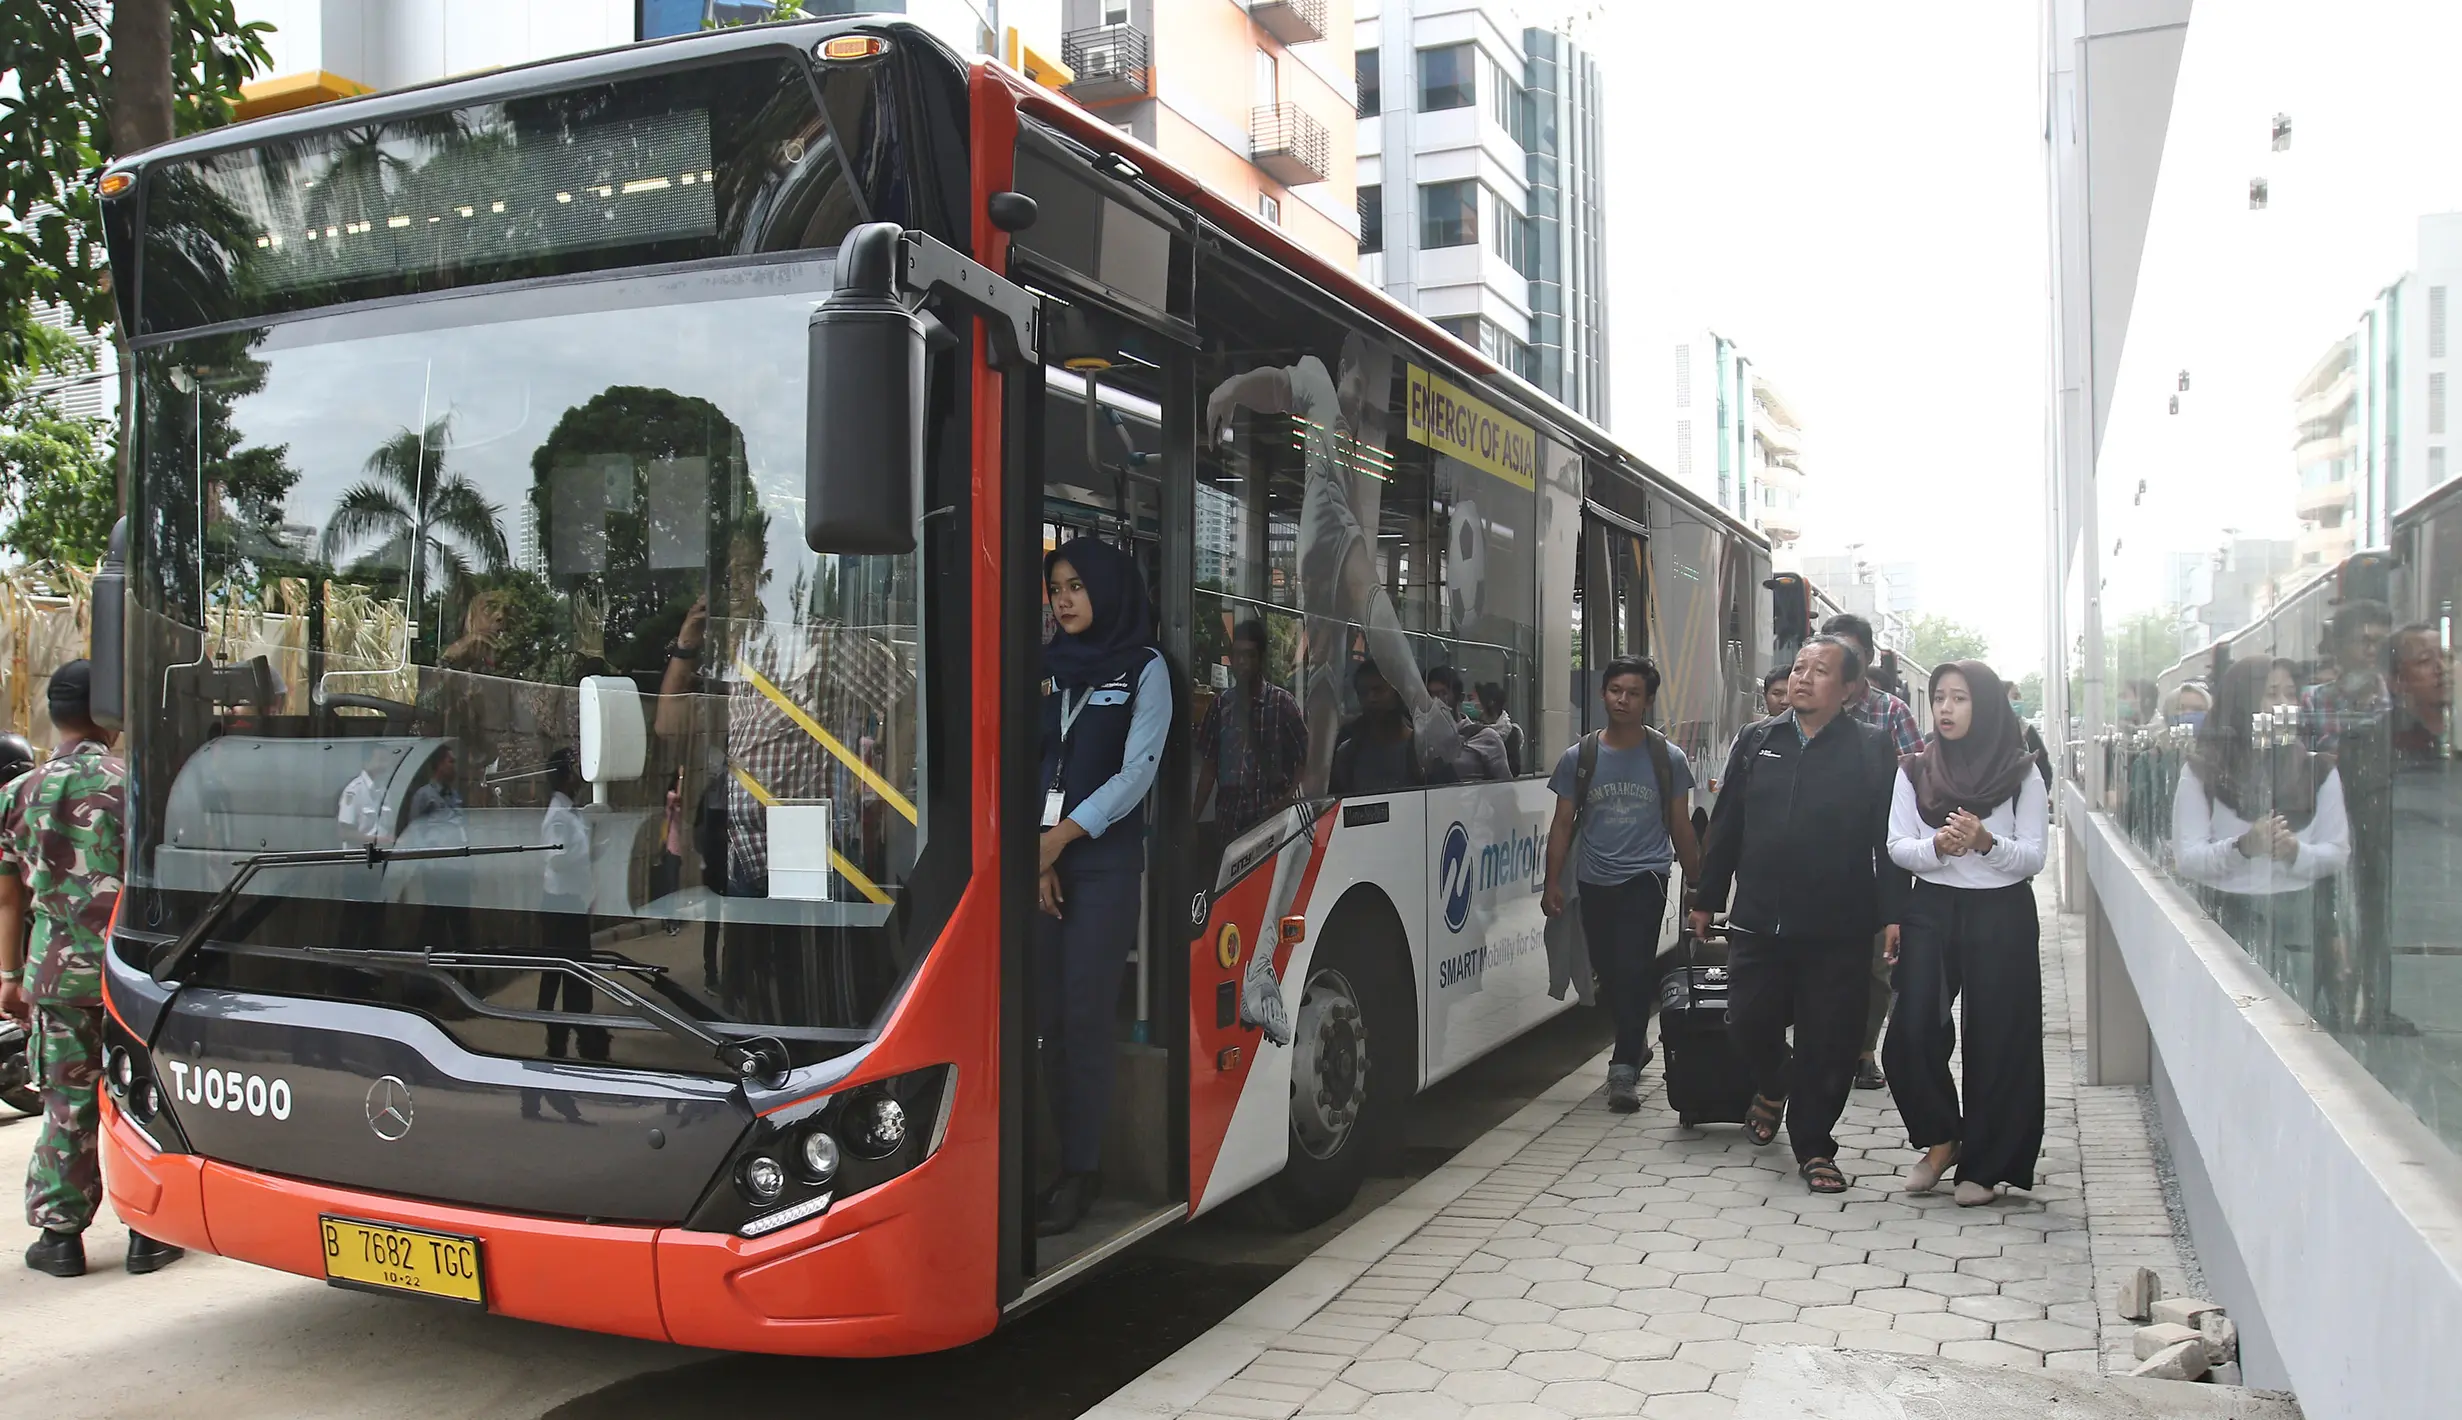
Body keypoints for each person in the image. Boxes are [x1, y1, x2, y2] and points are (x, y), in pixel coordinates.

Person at [1690, 636, 1906, 1194]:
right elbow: (1727, 821)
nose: (1802, 679)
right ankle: (1775, 1081)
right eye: (1799, 668)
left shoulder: (1870, 746)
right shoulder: (1758, 739)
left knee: (1830, 1040)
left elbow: (1887, 837)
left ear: (1850, 689)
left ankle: (1814, 1146)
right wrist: (1705, 895)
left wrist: (1892, 913)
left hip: (1838, 923)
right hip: (1758, 918)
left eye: (1820, 671)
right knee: (1747, 1020)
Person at [1207, 334, 1459, 794]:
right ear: (1343, 370)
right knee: (1369, 593)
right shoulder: (1318, 383)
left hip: (1317, 542)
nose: (1362, 398)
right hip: (1327, 518)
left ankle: (1315, 787)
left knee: (1325, 670)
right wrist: (1234, 387)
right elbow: (1278, 386)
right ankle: (1423, 708)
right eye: (1359, 380)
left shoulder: (1345, 427)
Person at [0, 662, 183, 1278]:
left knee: (65, 1101)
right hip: (129, 973)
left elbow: (7, 899)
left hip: (52, 974)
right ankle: (147, 1233)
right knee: (138, 1100)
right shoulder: (136, 783)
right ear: (109, 712)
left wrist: (8, 977)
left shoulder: (16, 794)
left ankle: (59, 1238)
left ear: (55, 714)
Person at [1033, 538, 1169, 1237]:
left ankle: (1084, 1170)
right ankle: (1058, 1163)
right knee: (1048, 1019)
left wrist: (1063, 837)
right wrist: (1041, 855)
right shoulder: (1051, 670)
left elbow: (1137, 772)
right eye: (1056, 588)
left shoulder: (1145, 669)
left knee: (1087, 1016)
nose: (1063, 599)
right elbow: (1037, 761)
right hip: (1048, 869)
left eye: (1077, 586)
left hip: (1105, 868)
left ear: (1109, 590)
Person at [1884, 661, 2050, 1207]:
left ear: (1985, 706)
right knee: (1911, 1030)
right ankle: (1942, 1138)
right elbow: (1897, 845)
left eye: (1960, 698)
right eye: (1939, 698)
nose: (1946, 709)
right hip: (1932, 908)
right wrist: (1937, 848)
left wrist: (1984, 843)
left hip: (2001, 913)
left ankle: (1986, 1163)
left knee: (1999, 1037)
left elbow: (2033, 857)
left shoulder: (2022, 773)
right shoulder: (1914, 770)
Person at [1541, 656, 1702, 1112]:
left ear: (1648, 701)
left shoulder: (1667, 758)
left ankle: (1622, 1068)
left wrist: (1697, 885)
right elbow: (1562, 823)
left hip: (1646, 877)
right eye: (1615, 690)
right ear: (1603, 694)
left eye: (1633, 693)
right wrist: (1553, 881)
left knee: (1633, 968)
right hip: (1594, 879)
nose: (1622, 700)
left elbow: (1680, 824)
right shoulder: (1581, 757)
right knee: (1611, 973)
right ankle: (1635, 1044)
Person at [2172, 657, 2348, 992]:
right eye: (2271, 693)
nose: (2284, 704)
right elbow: (2188, 858)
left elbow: (2337, 852)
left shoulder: (2319, 771)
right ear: (2243, 702)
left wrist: (2296, 852)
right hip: (2223, 916)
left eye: (2290, 693)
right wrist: (2242, 848)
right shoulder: (2202, 772)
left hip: (2300, 924)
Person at [1819, 612, 1919, 1092]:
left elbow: (1919, 781)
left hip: (1877, 860)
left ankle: (1864, 1051)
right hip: (1818, 865)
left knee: (1876, 966)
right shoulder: (1808, 714)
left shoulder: (1892, 713)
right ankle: (1827, 1048)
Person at [1194, 619, 1308, 840]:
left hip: (1269, 820)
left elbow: (1306, 757)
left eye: (1250, 655)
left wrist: (1288, 798)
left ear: (1261, 658)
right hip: (1229, 819)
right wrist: (1194, 818)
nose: (1242, 663)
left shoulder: (1281, 703)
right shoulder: (1220, 706)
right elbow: (1209, 767)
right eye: (1237, 656)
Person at [2303, 600, 2393, 753]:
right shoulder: (2313, 703)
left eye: (2380, 643)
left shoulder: (2399, 701)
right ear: (2338, 647)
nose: (2372, 651)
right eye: (2363, 642)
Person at [1330, 662, 1431, 794]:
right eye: (1364, 692)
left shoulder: (1424, 750)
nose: (1371, 698)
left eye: (1379, 690)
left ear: (1398, 693)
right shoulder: (1348, 754)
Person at [1424, 666, 1509, 781]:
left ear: (1460, 698)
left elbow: (1506, 789)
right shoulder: (1423, 738)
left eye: (1443, 694)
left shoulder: (1486, 737)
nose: (1436, 701)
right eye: (1431, 695)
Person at [1475, 682, 1525, 777]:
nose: (1475, 705)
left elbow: (1514, 770)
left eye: (1479, 702)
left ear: (1490, 703)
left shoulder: (1511, 732)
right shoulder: (1474, 729)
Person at [2009, 683, 2054, 789]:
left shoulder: (2027, 729)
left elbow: (2044, 767)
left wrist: (2042, 794)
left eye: (2019, 697)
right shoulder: (1991, 733)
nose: (2019, 701)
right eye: (2015, 697)